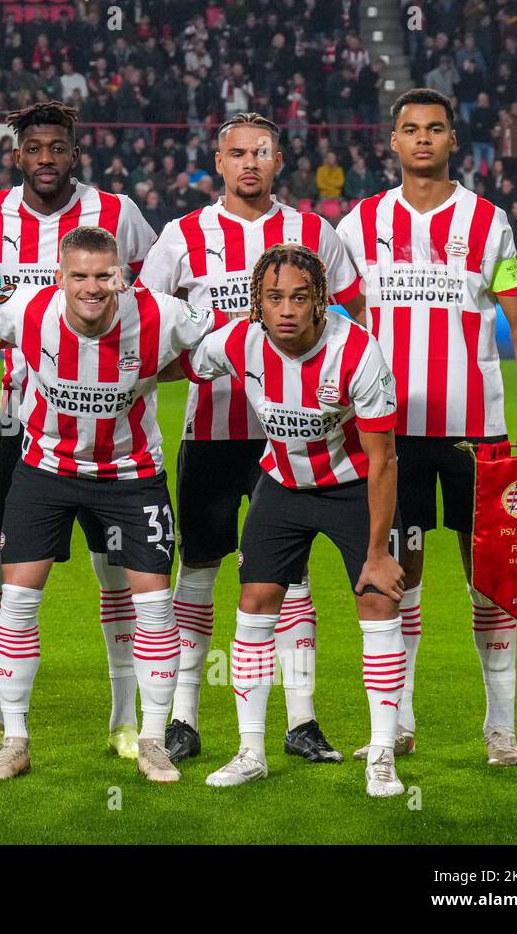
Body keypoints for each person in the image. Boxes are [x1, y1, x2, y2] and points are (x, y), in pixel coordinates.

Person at [0, 226, 222, 784]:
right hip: (46, 472)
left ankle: (153, 740)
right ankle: (14, 740)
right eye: (78, 276)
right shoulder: (29, 308)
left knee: (155, 608)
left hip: (132, 475)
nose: (92, 287)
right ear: (60, 279)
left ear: (122, 277)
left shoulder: (163, 314)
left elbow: (229, 336)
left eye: (104, 275)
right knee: (17, 600)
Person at [337, 88, 517, 767]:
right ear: (393, 141)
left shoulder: (488, 222)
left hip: (476, 433)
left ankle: (501, 730)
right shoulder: (360, 222)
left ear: (453, 140)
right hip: (391, 437)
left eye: (436, 129)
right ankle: (398, 722)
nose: (423, 139)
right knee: (401, 574)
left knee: (488, 579)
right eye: (411, 129)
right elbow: (338, 322)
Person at [137, 112, 365, 765]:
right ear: (219, 157)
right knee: (200, 569)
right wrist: (179, 363)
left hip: (289, 438)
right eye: (237, 152)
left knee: (291, 576)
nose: (249, 164)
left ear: (277, 157)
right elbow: (144, 321)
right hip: (210, 431)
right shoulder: (183, 236)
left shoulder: (312, 231)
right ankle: (183, 719)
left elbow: (357, 308)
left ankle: (301, 723)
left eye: (260, 152)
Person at [168, 244, 406, 797]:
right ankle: (251, 751)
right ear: (257, 303)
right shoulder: (238, 341)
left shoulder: (358, 352)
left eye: (300, 297)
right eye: (274, 297)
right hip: (281, 484)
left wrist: (376, 552)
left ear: (321, 300)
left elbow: (384, 460)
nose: (287, 309)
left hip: (351, 488)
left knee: (376, 600)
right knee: (252, 606)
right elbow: (183, 363)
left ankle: (382, 757)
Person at [0, 100, 157, 760]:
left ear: (75, 152)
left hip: (109, 423)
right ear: (17, 154)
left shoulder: (118, 214)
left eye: (58, 147)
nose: (46, 158)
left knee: (116, 572)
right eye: (34, 147)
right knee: (2, 573)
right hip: (24, 422)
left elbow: (149, 292)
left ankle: (124, 719)